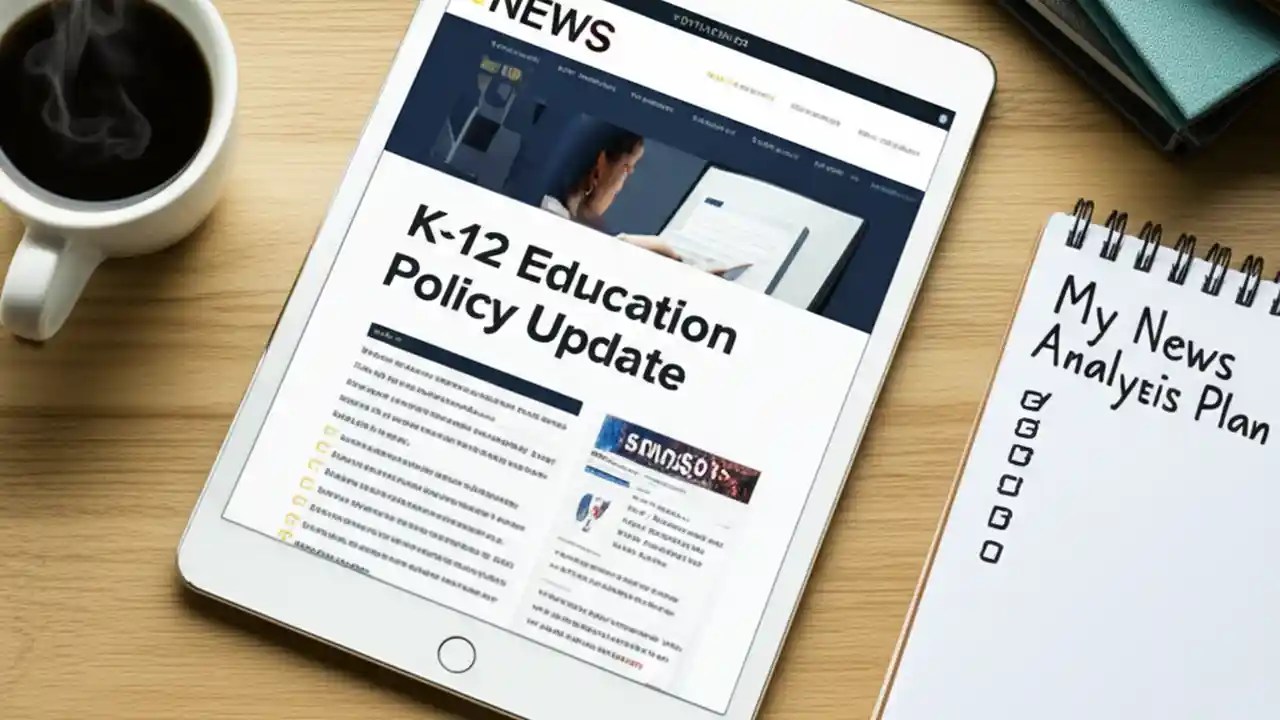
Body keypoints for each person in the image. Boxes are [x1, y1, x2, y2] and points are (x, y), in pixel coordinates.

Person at [539, 126, 681, 260]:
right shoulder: (551, 224)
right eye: (626, 169)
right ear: (600, 168)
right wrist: (621, 248)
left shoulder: (549, 209)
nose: (621, 187)